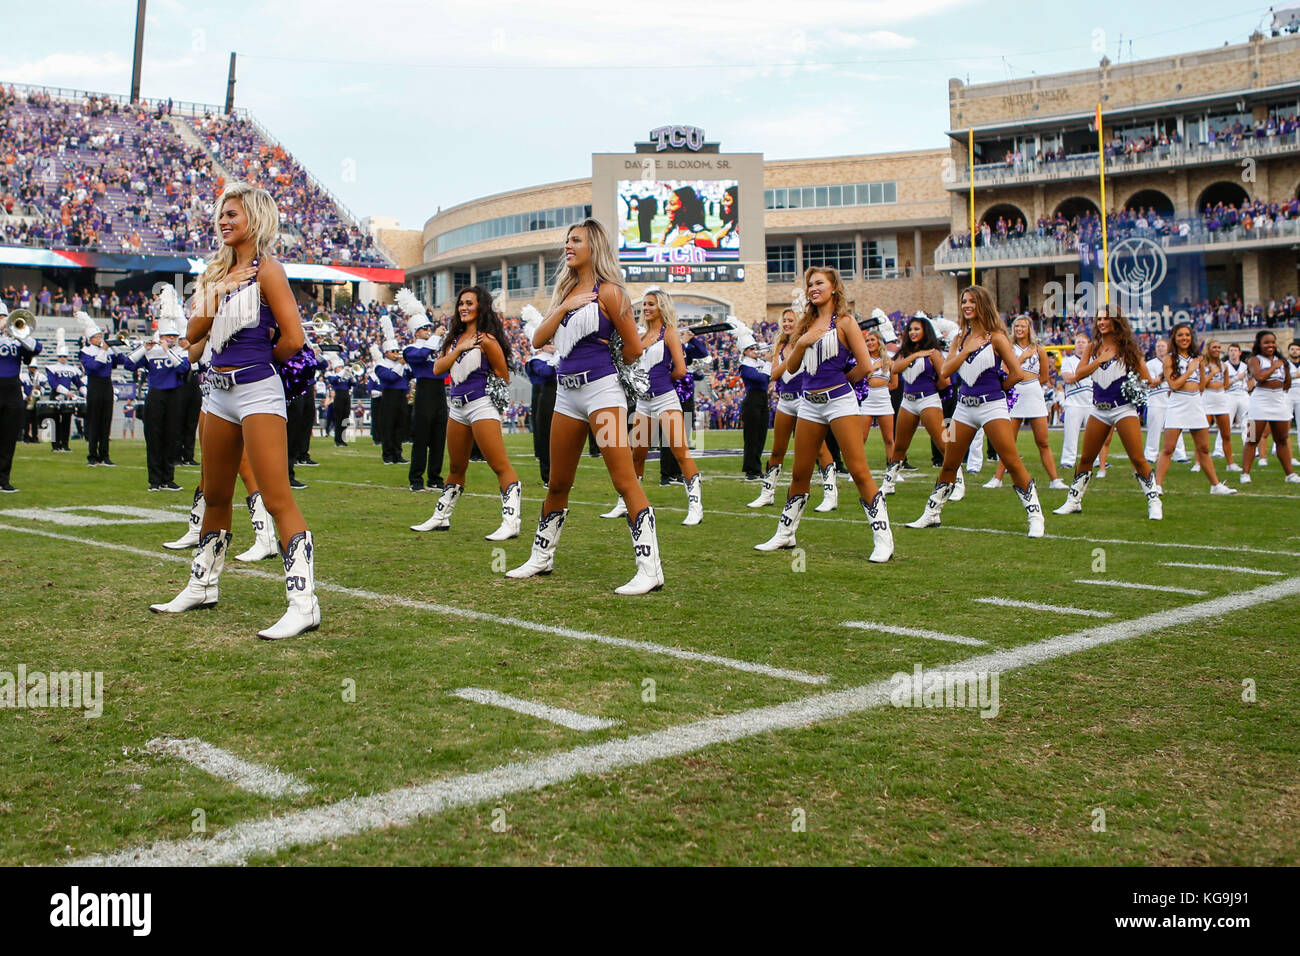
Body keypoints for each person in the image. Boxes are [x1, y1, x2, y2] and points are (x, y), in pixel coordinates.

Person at [149, 181, 320, 641]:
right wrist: (219, 286)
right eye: (221, 214)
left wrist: (263, 361)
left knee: (276, 495)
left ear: (256, 219)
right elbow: (191, 332)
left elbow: (294, 338)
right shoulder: (216, 271)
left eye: (234, 214)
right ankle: (202, 584)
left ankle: (304, 603)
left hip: (256, 389)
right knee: (215, 493)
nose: (224, 221)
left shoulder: (270, 270)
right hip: (216, 393)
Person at [506, 217, 663, 594]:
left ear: (594, 246)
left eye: (576, 240)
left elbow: (633, 348)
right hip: (566, 395)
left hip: (602, 393)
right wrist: (565, 307)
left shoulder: (612, 293)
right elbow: (539, 339)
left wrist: (607, 368)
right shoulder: (567, 291)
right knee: (558, 481)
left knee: (623, 479)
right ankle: (541, 557)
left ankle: (650, 568)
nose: (568, 245)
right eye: (567, 240)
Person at [754, 266, 893, 561]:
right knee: (800, 471)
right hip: (808, 403)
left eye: (819, 283)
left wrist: (843, 381)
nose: (813, 288)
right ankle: (786, 534)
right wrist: (803, 342)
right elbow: (790, 368)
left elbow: (867, 366)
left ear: (833, 288)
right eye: (809, 284)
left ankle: (883, 538)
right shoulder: (804, 325)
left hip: (839, 401)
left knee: (858, 469)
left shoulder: (845, 322)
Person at [906, 285, 1043, 537]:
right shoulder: (960, 338)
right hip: (963, 409)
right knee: (949, 463)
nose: (967, 305)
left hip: (992, 406)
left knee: (1011, 460)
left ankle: (1035, 515)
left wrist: (999, 388)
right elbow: (946, 372)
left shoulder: (998, 337)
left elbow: (1017, 373)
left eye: (972, 301)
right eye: (964, 301)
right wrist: (966, 350)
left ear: (983, 304)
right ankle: (931, 513)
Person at [410, 285, 521, 538]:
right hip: (457, 407)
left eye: (470, 303)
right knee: (456, 467)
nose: (464, 307)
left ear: (480, 306)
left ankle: (512, 521)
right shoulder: (454, 339)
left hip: (481, 404)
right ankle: (441, 517)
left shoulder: (487, 340)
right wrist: (460, 349)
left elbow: (503, 375)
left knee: (499, 464)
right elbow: (438, 369)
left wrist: (490, 394)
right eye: (461, 303)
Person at [163, 328, 278, 562]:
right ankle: (197, 528)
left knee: (245, 467)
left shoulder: (244, 304)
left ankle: (265, 537)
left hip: (241, 387)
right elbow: (193, 355)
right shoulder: (210, 308)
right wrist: (206, 330)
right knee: (208, 466)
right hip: (212, 389)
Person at [599, 287, 703, 525]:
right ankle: (627, 502)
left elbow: (680, 369)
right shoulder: (639, 335)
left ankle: (696, 505)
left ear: (661, 308)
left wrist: (661, 382)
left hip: (665, 399)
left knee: (681, 452)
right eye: (644, 304)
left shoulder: (670, 334)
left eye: (651, 304)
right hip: (643, 404)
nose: (646, 308)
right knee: (637, 456)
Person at [1051, 308, 1162, 519]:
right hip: (1099, 410)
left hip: (1123, 409)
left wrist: (1136, 386)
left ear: (1116, 321)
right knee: (1086, 458)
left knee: (1137, 458)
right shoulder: (1093, 347)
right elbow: (1079, 374)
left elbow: (1145, 377)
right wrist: (1099, 360)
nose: (1101, 322)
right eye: (1099, 319)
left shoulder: (1128, 348)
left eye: (1106, 319)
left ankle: (1154, 500)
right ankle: (1074, 500)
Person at [748, 307, 835, 508]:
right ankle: (767, 492)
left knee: (820, 449)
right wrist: (791, 356)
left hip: (805, 400)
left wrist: (794, 353)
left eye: (791, 320)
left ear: (799, 322)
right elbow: (774, 374)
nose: (787, 324)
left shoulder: (808, 342)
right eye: (784, 321)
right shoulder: (780, 345)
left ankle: (831, 494)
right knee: (777, 449)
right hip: (785, 400)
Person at [983, 315, 1067, 490]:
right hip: (1014, 393)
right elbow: (1005, 371)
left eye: (1023, 326)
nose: (1019, 329)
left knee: (1043, 441)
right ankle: (997, 479)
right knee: (1008, 442)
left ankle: (1055, 480)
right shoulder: (1008, 347)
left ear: (1030, 328)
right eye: (1016, 326)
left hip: (1034, 393)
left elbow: (1044, 377)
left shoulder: (1039, 350)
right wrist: (1021, 359)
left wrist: (1030, 380)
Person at [1153, 323, 1236, 496]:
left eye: (1187, 335)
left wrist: (1201, 371)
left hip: (1196, 403)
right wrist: (1190, 370)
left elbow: (1201, 386)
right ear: (1174, 339)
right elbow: (1174, 385)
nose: (1184, 338)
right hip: (1178, 403)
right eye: (1180, 335)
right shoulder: (1169, 359)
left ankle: (1215, 485)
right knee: (1168, 448)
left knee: (1204, 448)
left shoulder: (1198, 358)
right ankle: (1157, 485)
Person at [881, 314, 949, 495]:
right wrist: (916, 355)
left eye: (917, 329)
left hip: (928, 399)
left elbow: (945, 380)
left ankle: (957, 482)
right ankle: (889, 483)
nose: (912, 332)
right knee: (900, 447)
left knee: (943, 445)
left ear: (925, 331)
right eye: (910, 329)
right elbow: (894, 369)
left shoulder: (934, 353)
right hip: (908, 401)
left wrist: (932, 389)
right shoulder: (905, 352)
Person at [125, 310, 189, 491]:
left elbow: (183, 369)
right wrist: (144, 348)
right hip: (155, 395)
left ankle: (168, 479)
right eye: (168, 336)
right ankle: (154, 480)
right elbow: (129, 364)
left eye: (174, 336)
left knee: (172, 437)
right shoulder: (151, 352)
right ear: (160, 336)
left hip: (174, 395)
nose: (172, 339)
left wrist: (167, 350)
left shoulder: (180, 352)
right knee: (153, 437)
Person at [397, 288, 448, 492]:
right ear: (417, 331)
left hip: (439, 391)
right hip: (424, 391)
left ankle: (435, 477)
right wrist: (435, 338)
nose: (429, 330)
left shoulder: (435, 345)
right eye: (425, 328)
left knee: (438, 437)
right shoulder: (411, 349)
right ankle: (416, 479)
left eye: (429, 327)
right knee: (421, 438)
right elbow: (419, 357)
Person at [1239, 329, 1298, 485]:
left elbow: (1287, 384)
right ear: (1259, 343)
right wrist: (1275, 366)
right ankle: (1245, 473)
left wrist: (1283, 368)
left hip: (1278, 400)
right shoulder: (1253, 359)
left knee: (1282, 439)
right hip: (1259, 400)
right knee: (1252, 438)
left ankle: (1290, 474)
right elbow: (1259, 377)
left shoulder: (1281, 361)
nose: (1270, 345)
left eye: (1272, 342)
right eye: (1266, 342)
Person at [0, 300, 42, 492]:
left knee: (9, 436)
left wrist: (17, 333)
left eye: (4, 318)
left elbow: (37, 348)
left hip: (12, 389)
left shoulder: (16, 338)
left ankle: (3, 479)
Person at [77, 312, 123, 466]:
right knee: (94, 421)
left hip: (107, 385)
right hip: (94, 385)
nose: (99, 339)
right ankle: (92, 455)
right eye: (96, 337)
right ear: (90, 339)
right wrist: (103, 350)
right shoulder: (85, 352)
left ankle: (105, 454)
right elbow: (93, 368)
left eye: (100, 336)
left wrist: (114, 347)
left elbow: (122, 360)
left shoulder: (107, 350)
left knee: (105, 421)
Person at [1143, 339, 1188, 464]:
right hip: (1155, 400)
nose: (1160, 348)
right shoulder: (1150, 364)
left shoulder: (1175, 363)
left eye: (1162, 346)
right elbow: (1152, 382)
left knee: (1176, 428)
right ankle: (1151, 455)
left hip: (1172, 400)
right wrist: (1166, 375)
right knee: (1154, 429)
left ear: (1167, 347)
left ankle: (1180, 455)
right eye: (1158, 346)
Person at [374, 317, 410, 465]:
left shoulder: (401, 365)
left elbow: (410, 375)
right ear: (387, 353)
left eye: (397, 350)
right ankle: (387, 455)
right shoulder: (381, 365)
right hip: (389, 396)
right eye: (393, 351)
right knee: (388, 426)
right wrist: (401, 365)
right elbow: (390, 378)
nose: (397, 353)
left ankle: (398, 454)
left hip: (402, 396)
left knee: (400, 426)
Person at [858, 329, 895, 468]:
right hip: (866, 402)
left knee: (889, 439)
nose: (870, 343)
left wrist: (879, 384)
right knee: (861, 438)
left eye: (872, 340)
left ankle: (892, 471)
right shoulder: (862, 360)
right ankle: (857, 469)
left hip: (884, 401)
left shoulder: (889, 361)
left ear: (879, 342)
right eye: (867, 340)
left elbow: (894, 384)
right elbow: (860, 381)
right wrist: (873, 368)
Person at [1198, 340, 1235, 472]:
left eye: (1219, 347)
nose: (1217, 349)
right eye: (1214, 347)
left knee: (1226, 434)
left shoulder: (1224, 365)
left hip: (1221, 399)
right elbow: (1201, 386)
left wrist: (1219, 386)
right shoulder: (1202, 364)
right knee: (1202, 434)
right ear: (1208, 348)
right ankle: (1198, 463)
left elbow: (1226, 384)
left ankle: (1230, 464)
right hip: (1207, 398)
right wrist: (1212, 374)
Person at [43, 329, 82, 453]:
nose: (62, 358)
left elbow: (78, 383)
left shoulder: (72, 369)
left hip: (68, 396)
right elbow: (53, 383)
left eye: (64, 356)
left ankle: (65, 444)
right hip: (56, 395)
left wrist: (86, 393)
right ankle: (55, 445)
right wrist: (67, 392)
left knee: (66, 420)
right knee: (54, 420)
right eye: (60, 356)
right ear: (57, 356)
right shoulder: (51, 368)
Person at [525, 340, 558, 486]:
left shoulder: (559, 357)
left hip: (561, 397)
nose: (552, 344)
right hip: (544, 398)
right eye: (548, 342)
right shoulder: (536, 360)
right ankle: (547, 475)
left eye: (553, 342)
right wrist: (557, 360)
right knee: (545, 436)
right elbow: (546, 372)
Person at [1058, 332, 1093, 470]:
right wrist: (1085, 373)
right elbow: (1068, 378)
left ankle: (1095, 460)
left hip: (1091, 402)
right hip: (1073, 403)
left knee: (1094, 435)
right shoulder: (1068, 360)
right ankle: (1068, 460)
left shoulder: (1093, 360)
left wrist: (1077, 375)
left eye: (1083, 342)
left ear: (1088, 345)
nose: (1080, 345)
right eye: (1078, 342)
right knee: (1071, 434)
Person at [739, 339, 770, 480]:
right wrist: (769, 362)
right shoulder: (745, 366)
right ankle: (750, 470)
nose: (755, 350)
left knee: (761, 436)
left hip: (763, 399)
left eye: (756, 347)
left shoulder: (760, 363)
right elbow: (761, 380)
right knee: (751, 437)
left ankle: (757, 469)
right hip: (752, 400)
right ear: (745, 351)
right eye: (751, 348)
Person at [1217, 343, 1250, 468]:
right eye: (1231, 350)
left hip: (1243, 394)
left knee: (1249, 422)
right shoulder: (1223, 366)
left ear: (1240, 353)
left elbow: (1251, 381)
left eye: (1235, 350)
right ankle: (1219, 450)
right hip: (1229, 394)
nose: (1233, 353)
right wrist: (1237, 378)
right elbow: (1222, 384)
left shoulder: (1246, 366)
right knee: (1225, 423)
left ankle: (1252, 448)